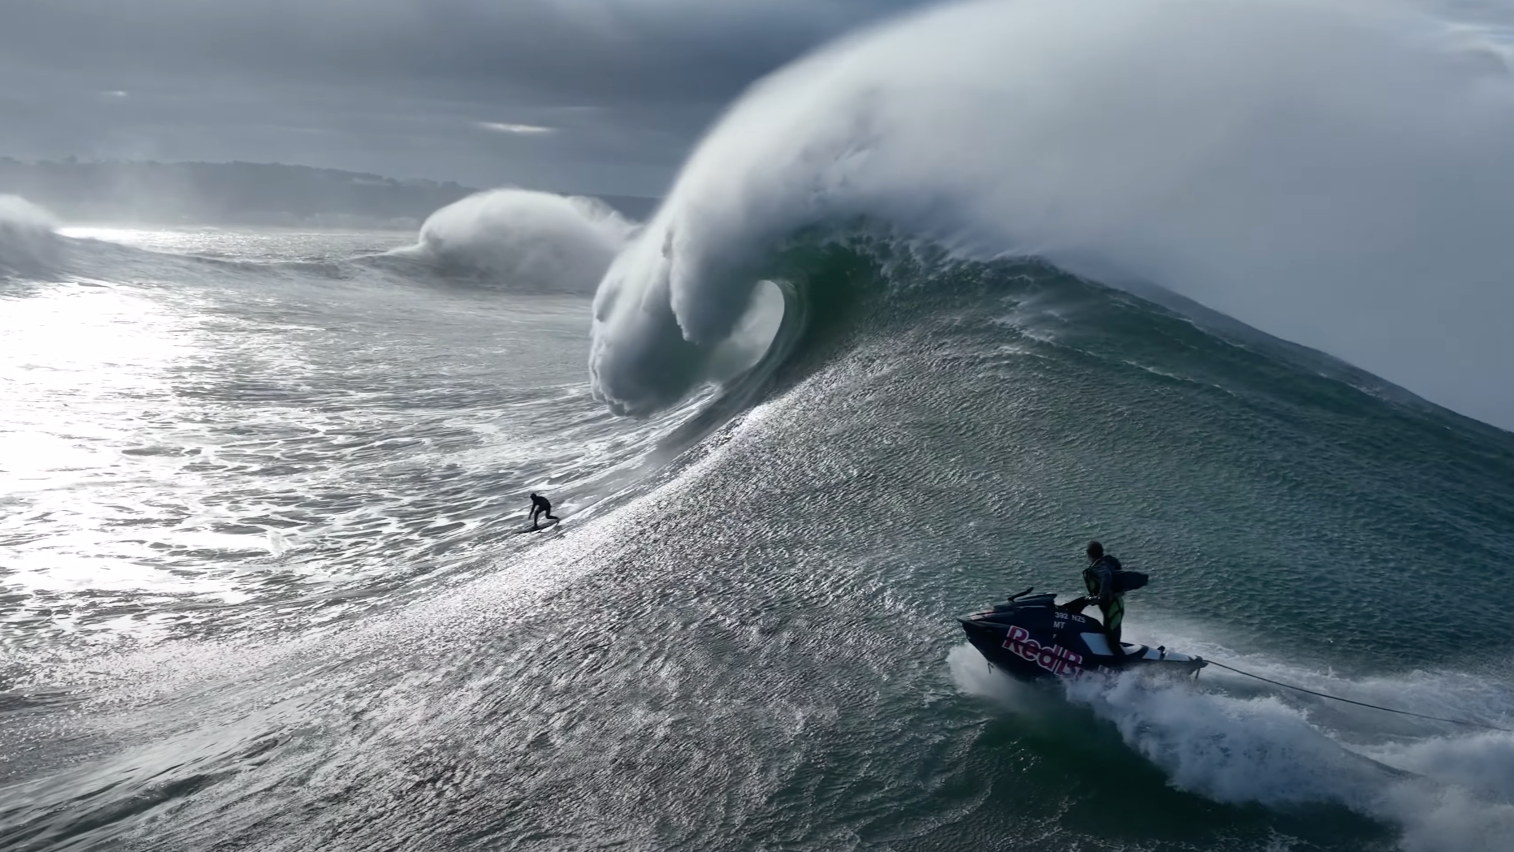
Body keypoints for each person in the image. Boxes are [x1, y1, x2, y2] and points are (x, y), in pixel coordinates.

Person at [1082, 540, 1126, 658]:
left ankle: (1123, 670)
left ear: (1088, 553)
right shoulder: (1107, 563)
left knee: (1113, 642)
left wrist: (1101, 595)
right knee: (1109, 636)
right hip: (1114, 605)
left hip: (1113, 607)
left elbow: (1106, 576)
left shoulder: (1099, 566)